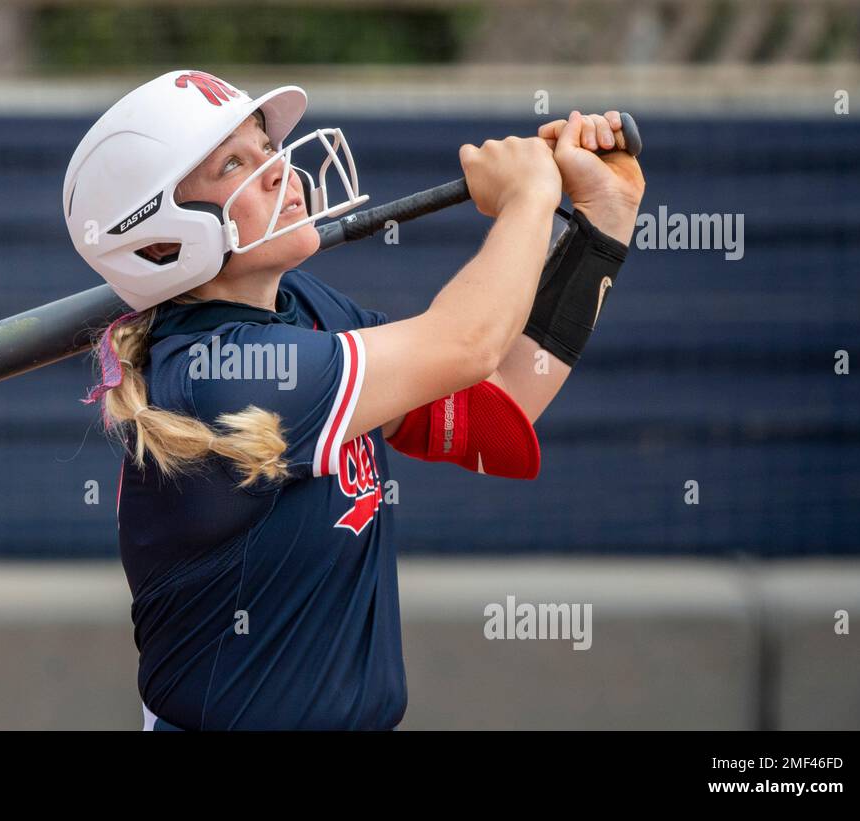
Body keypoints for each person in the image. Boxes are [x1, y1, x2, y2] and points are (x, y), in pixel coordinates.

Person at [62, 69, 644, 730]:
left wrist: (602, 220)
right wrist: (528, 198)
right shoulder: (220, 375)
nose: (278, 168)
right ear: (163, 240)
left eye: (265, 146)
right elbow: (469, 342)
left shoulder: (305, 310)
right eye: (233, 163)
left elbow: (498, 392)